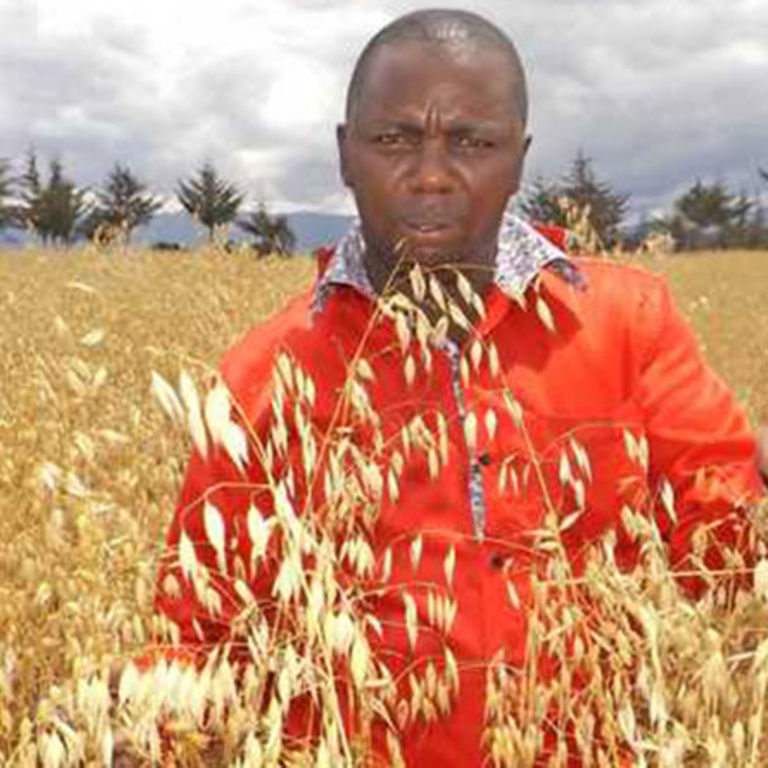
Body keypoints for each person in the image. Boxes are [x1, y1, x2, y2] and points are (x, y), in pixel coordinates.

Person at [148, 9, 765, 765]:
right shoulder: (260, 378)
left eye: (473, 142)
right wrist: (152, 728)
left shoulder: (628, 323)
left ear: (518, 158)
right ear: (345, 154)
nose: (431, 173)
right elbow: (196, 638)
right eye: (394, 139)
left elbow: (728, 565)